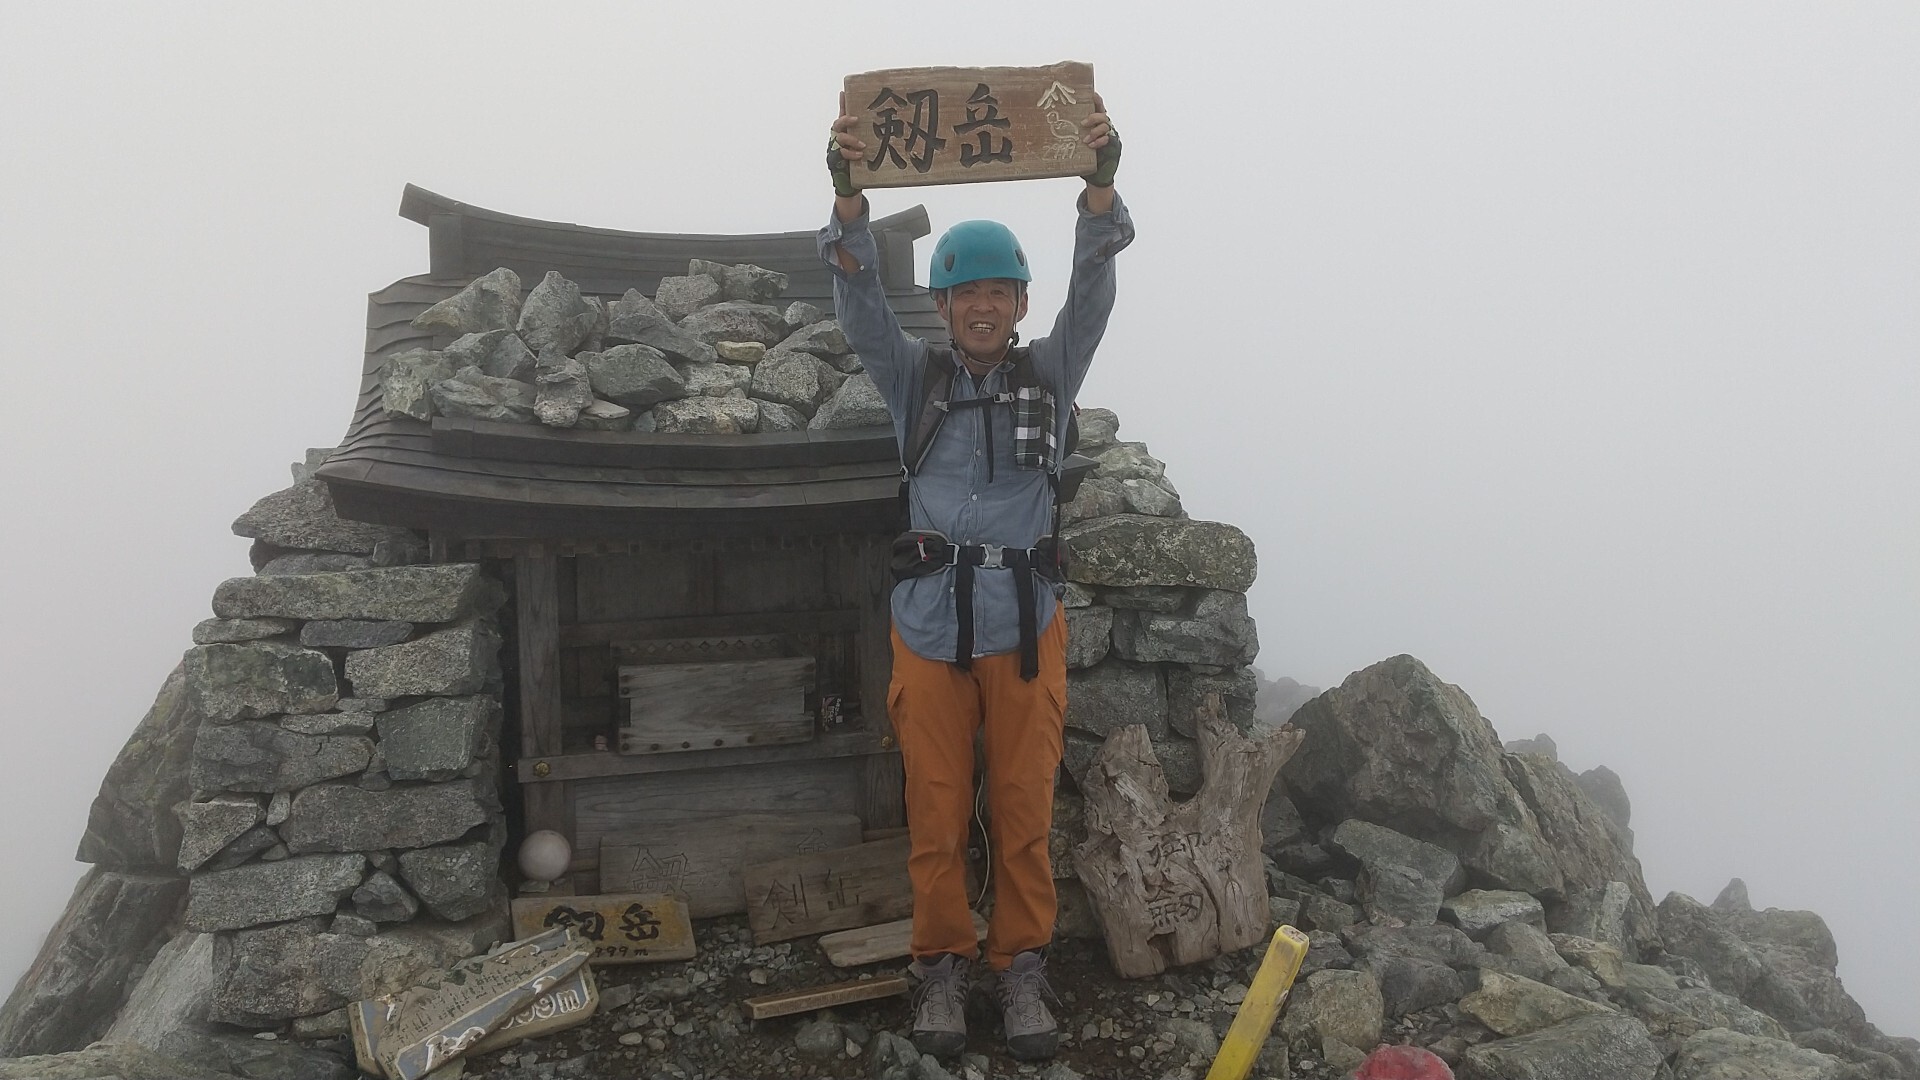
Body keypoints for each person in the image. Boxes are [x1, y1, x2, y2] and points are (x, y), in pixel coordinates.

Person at [816, 96, 1133, 1061]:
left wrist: (1099, 191)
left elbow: (1096, 300)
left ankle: (1022, 965)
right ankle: (942, 969)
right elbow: (862, 313)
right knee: (939, 812)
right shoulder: (917, 382)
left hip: (1026, 626)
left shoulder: (1051, 373)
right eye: (966, 293)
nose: (984, 305)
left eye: (1000, 290)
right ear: (945, 308)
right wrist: (849, 209)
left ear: (1020, 305)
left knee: (1026, 808)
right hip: (928, 629)